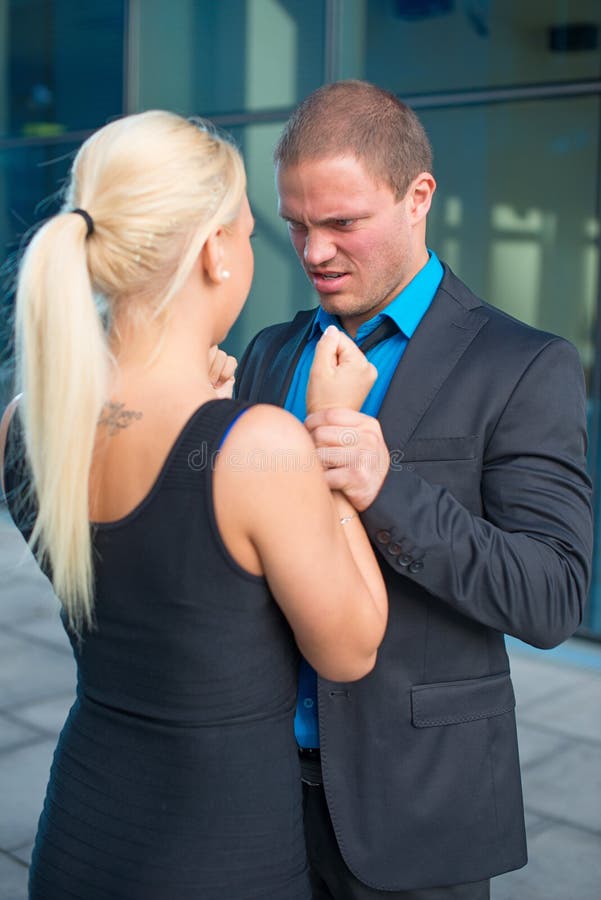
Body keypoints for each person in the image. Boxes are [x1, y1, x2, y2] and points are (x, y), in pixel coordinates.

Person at [0, 109, 388, 900]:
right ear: (215, 251)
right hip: (218, 860)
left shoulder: (24, 424)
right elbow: (350, 649)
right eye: (246, 232)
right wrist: (331, 435)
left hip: (78, 837)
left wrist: (219, 421)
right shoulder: (259, 446)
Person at [234, 80, 594, 900]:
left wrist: (384, 486)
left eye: (341, 223)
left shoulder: (521, 364)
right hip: (256, 792)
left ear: (417, 196)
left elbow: (550, 597)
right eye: (296, 224)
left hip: (417, 799)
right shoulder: (268, 353)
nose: (314, 252)